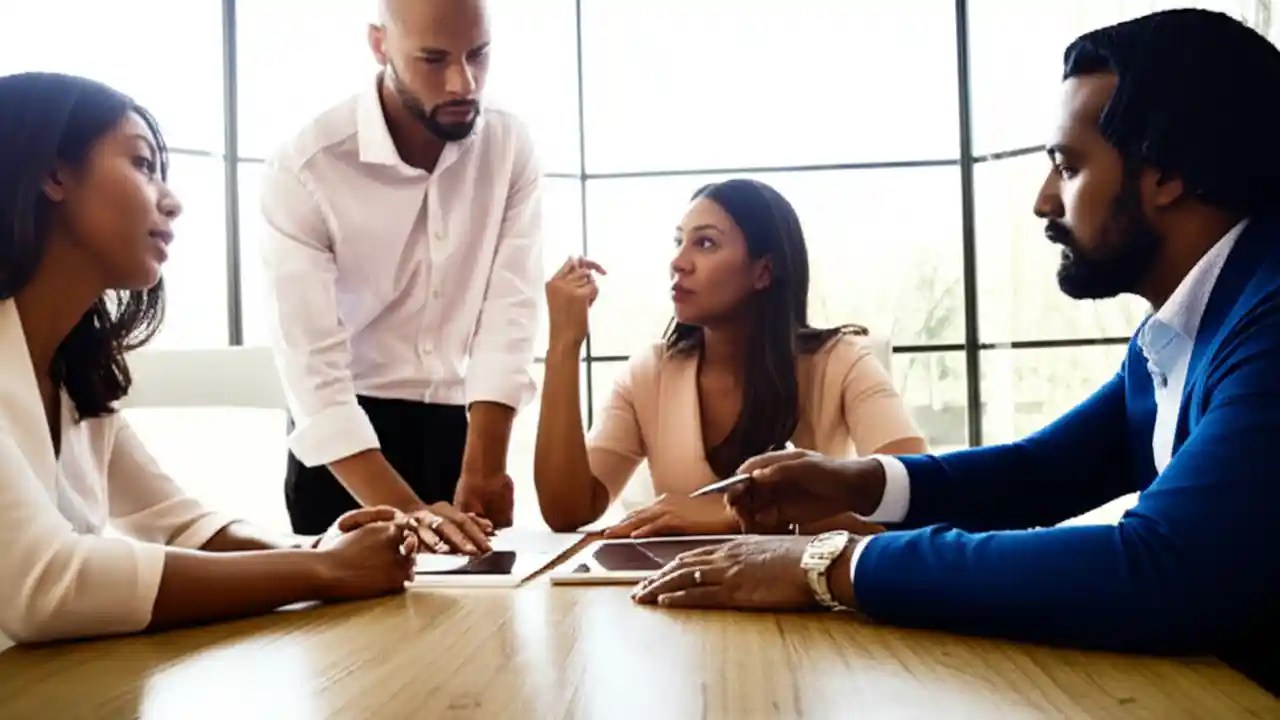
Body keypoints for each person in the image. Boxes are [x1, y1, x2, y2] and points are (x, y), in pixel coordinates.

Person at [631, 10, 1280, 695]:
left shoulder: (1268, 322)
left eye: (1068, 165)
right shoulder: (1183, 329)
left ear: (1166, 173)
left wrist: (830, 566)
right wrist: (856, 482)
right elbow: (1040, 473)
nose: (1042, 200)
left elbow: (1160, 568)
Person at [0, 72, 420, 646]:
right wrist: (326, 570)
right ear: (54, 174)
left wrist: (317, 548)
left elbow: (183, 525)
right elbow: (46, 586)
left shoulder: (74, 375)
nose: (171, 201)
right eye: (144, 165)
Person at [260, 0, 541, 551]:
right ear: (379, 44)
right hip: (346, 453)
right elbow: (312, 373)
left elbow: (510, 309)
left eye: (478, 55)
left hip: (463, 434)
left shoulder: (510, 146)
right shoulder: (306, 167)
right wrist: (412, 513)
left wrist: (485, 463)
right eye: (433, 59)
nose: (464, 83)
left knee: (476, 629)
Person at [534, 178, 926, 536]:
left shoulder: (841, 362)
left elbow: (917, 495)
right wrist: (564, 346)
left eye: (705, 243)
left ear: (763, 271)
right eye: (678, 242)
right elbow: (566, 510)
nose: (678, 261)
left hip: (804, 601)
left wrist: (722, 514)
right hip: (681, 600)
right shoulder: (651, 373)